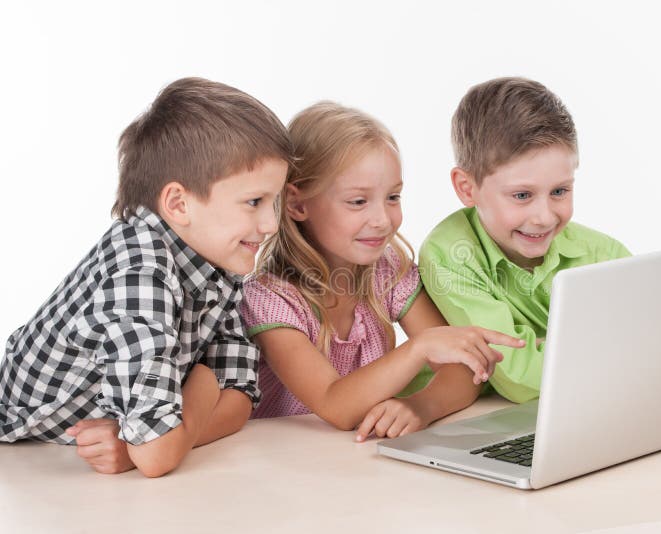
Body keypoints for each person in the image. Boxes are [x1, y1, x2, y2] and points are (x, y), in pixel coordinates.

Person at [0, 77, 292, 477]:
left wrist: (145, 440)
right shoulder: (140, 273)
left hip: (86, 457)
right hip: (25, 460)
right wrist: (205, 385)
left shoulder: (217, 260)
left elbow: (239, 400)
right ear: (178, 203)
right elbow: (157, 457)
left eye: (273, 202)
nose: (271, 223)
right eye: (254, 202)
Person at [241, 101, 523, 441]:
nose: (383, 219)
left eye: (393, 197)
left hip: (358, 461)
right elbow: (336, 404)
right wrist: (420, 348)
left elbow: (466, 371)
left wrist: (422, 406)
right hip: (279, 463)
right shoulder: (268, 300)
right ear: (298, 204)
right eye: (358, 201)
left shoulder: (386, 271)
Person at [415, 77, 631, 403]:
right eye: (521, 195)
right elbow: (516, 379)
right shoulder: (450, 254)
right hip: (473, 414)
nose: (544, 216)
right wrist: (591, 350)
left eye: (559, 191)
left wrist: (545, 348)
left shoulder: (604, 253)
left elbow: (644, 349)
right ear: (467, 188)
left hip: (585, 408)